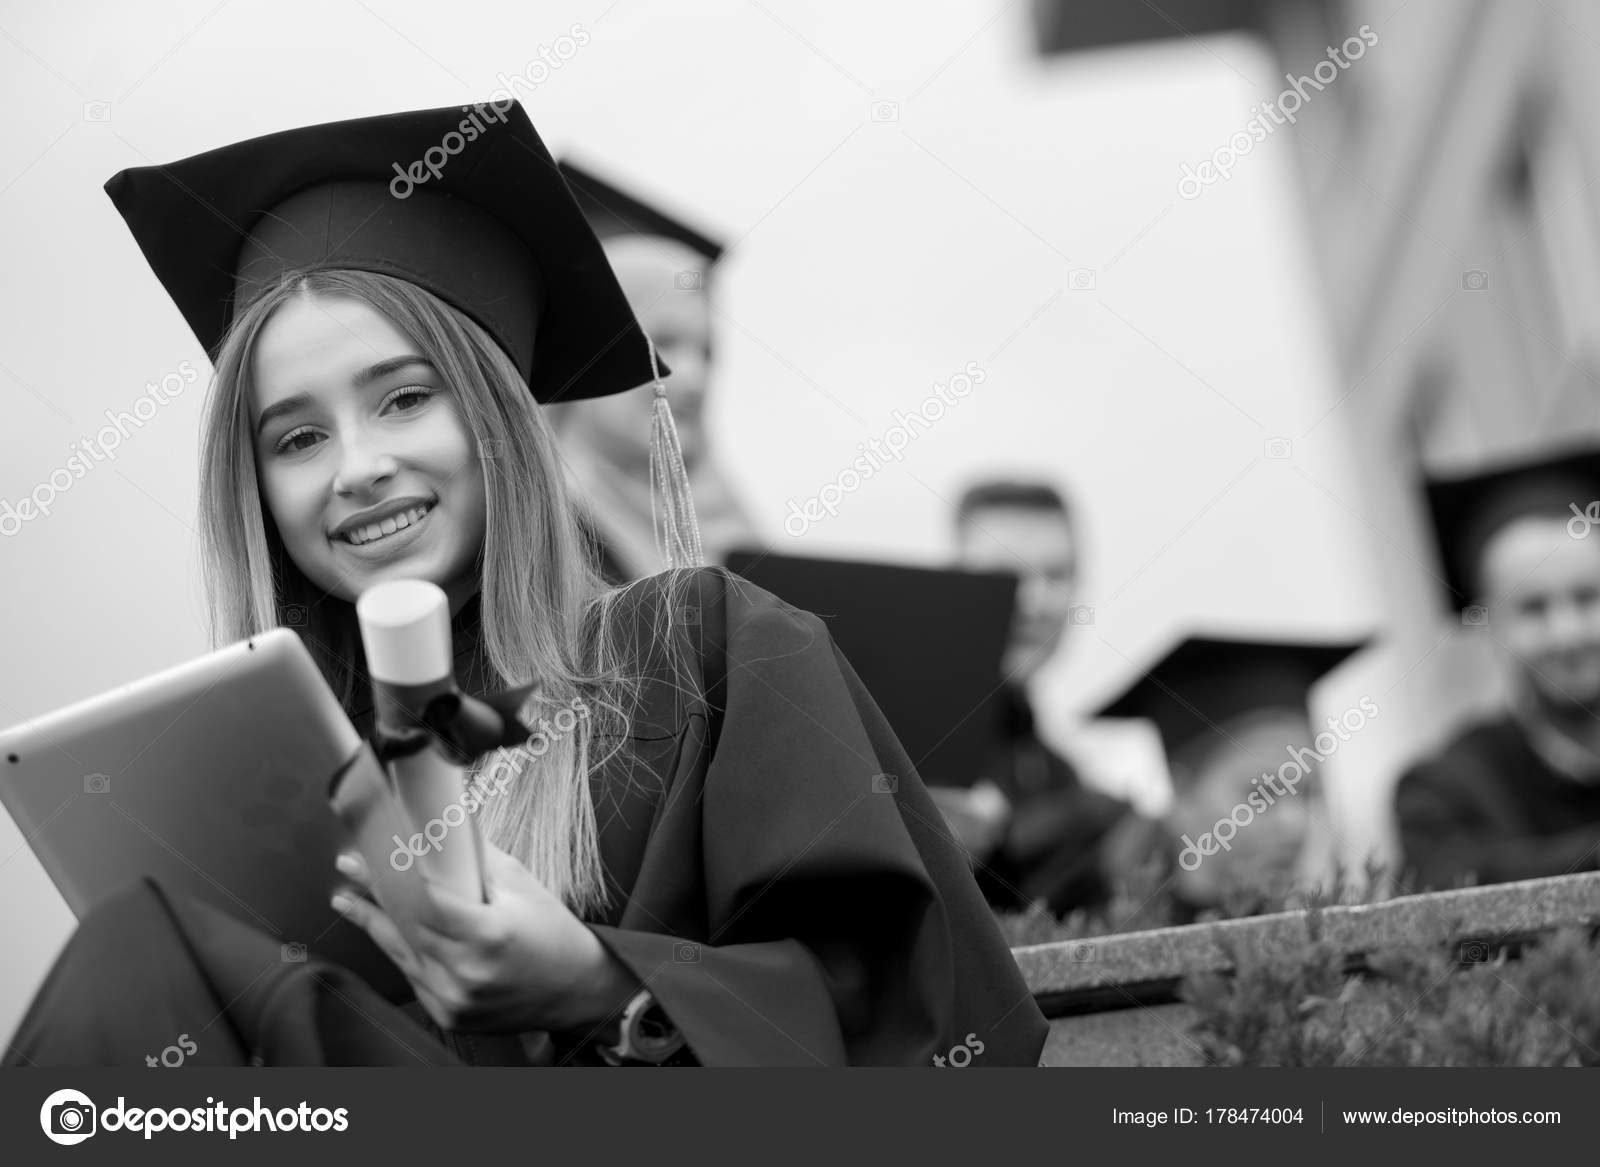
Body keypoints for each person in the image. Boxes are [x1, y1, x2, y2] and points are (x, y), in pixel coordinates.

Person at [3, 102, 1046, 1068]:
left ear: (500, 415)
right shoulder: (273, 769)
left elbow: (934, 1009)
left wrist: (603, 987)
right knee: (149, 949)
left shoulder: (698, 649)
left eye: (405, 398)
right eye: (298, 436)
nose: (355, 464)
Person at [934, 479, 1146, 918]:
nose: (1034, 601)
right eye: (1005, 574)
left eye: (1055, 574)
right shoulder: (903, 749)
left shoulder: (1061, 773)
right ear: (953, 579)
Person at [1394, 447, 1600, 891]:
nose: (1567, 633)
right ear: (1489, 627)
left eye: (1587, 598)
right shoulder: (1442, 791)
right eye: (1533, 608)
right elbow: (1462, 892)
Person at [550, 160, 760, 583]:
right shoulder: (536, 542)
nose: (694, 378)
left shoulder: (729, 528)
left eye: (706, 352)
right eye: (663, 341)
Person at [1094, 635, 1367, 919]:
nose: (1293, 824)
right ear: (1182, 793)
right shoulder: (1114, 944)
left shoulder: (1330, 943)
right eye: (1261, 794)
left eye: (1307, 793)